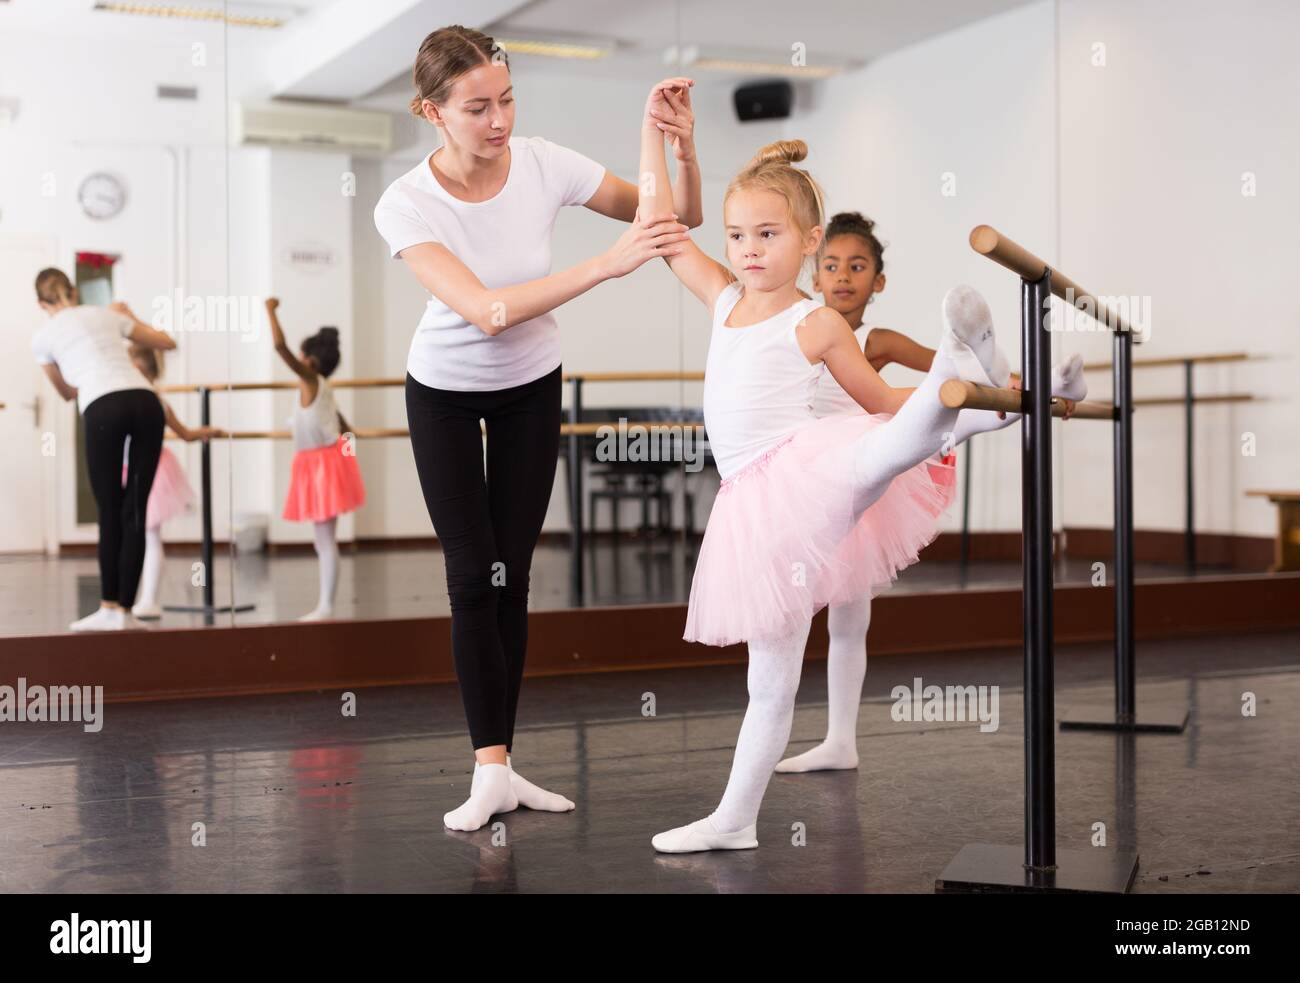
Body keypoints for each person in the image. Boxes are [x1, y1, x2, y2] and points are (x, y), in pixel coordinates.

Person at [372, 24, 700, 832]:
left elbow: (672, 217)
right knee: (470, 573)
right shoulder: (406, 202)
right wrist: (605, 264)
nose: (499, 121)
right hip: (444, 393)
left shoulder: (545, 163)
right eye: (477, 108)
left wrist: (668, 141)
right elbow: (486, 310)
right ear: (432, 112)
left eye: (508, 99)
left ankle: (503, 766)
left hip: (530, 387)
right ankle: (487, 768)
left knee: (510, 575)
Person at [31, 269, 177, 631]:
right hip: (146, 403)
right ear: (74, 291)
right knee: (135, 509)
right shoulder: (105, 314)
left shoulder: (43, 337)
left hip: (103, 407)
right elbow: (167, 342)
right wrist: (128, 317)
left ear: (41, 303)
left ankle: (109, 608)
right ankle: (126, 612)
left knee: (110, 509)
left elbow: (66, 393)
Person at [265, 297, 366, 622]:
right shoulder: (320, 386)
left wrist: (270, 310)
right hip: (321, 463)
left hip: (322, 465)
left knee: (324, 542)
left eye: (301, 356)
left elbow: (279, 347)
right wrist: (347, 456)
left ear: (308, 361)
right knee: (323, 541)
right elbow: (343, 427)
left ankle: (326, 608)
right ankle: (325, 606)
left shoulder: (310, 380)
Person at [122, 343, 222, 619]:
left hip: (152, 469)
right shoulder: (148, 399)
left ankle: (149, 598)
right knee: (142, 535)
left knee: (150, 535)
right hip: (132, 469)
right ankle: (137, 597)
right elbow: (186, 434)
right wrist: (203, 431)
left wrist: (207, 431)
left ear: (137, 369)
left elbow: (186, 434)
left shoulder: (155, 400)